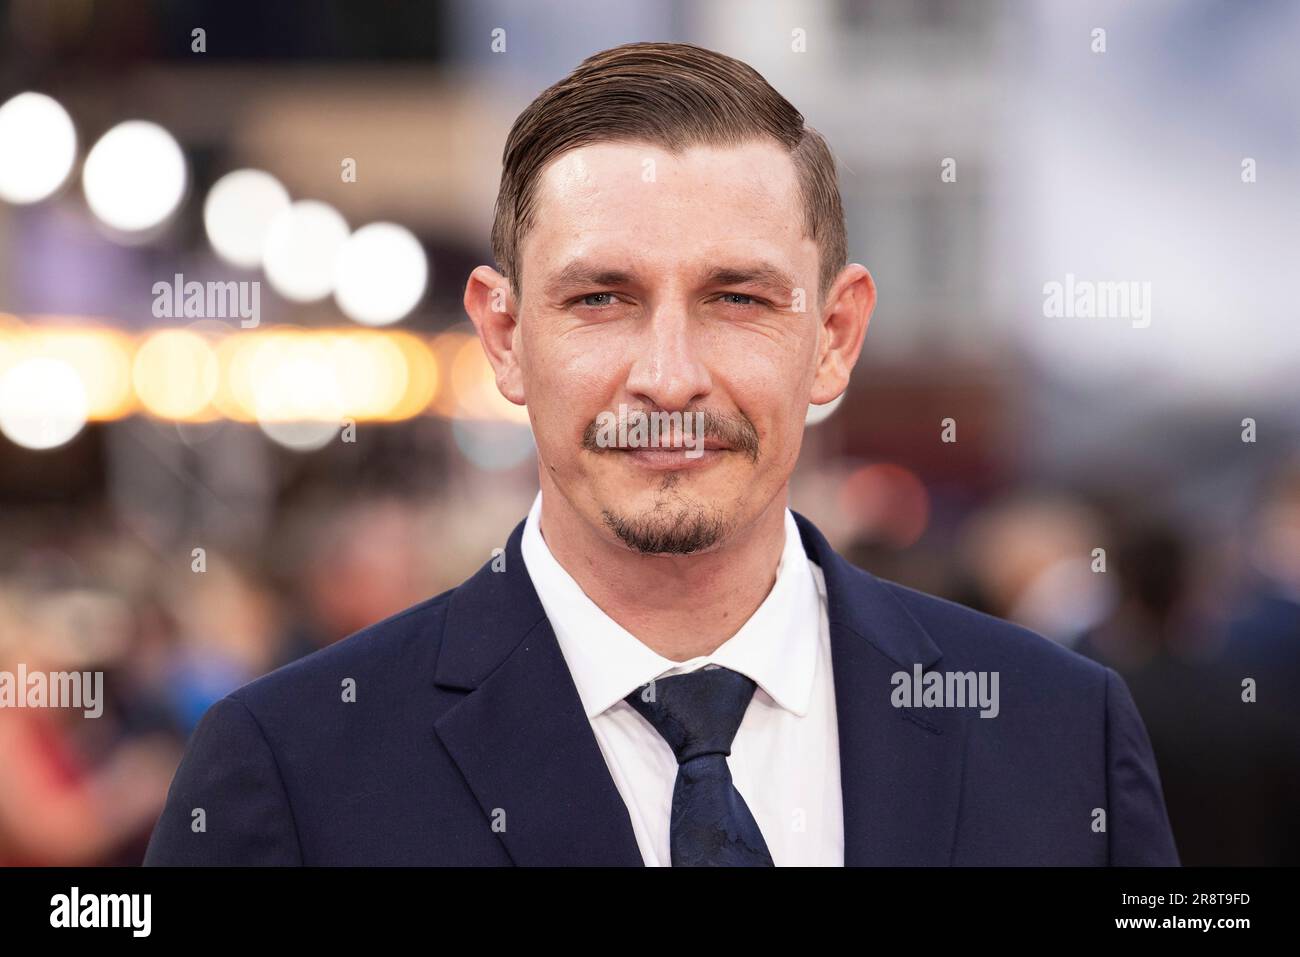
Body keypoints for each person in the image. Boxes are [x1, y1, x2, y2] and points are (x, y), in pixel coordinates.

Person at [144, 41, 1178, 866]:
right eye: (601, 299)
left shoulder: (1057, 733)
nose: (669, 376)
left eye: (736, 298)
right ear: (504, 338)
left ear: (834, 337)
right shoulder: (292, 768)